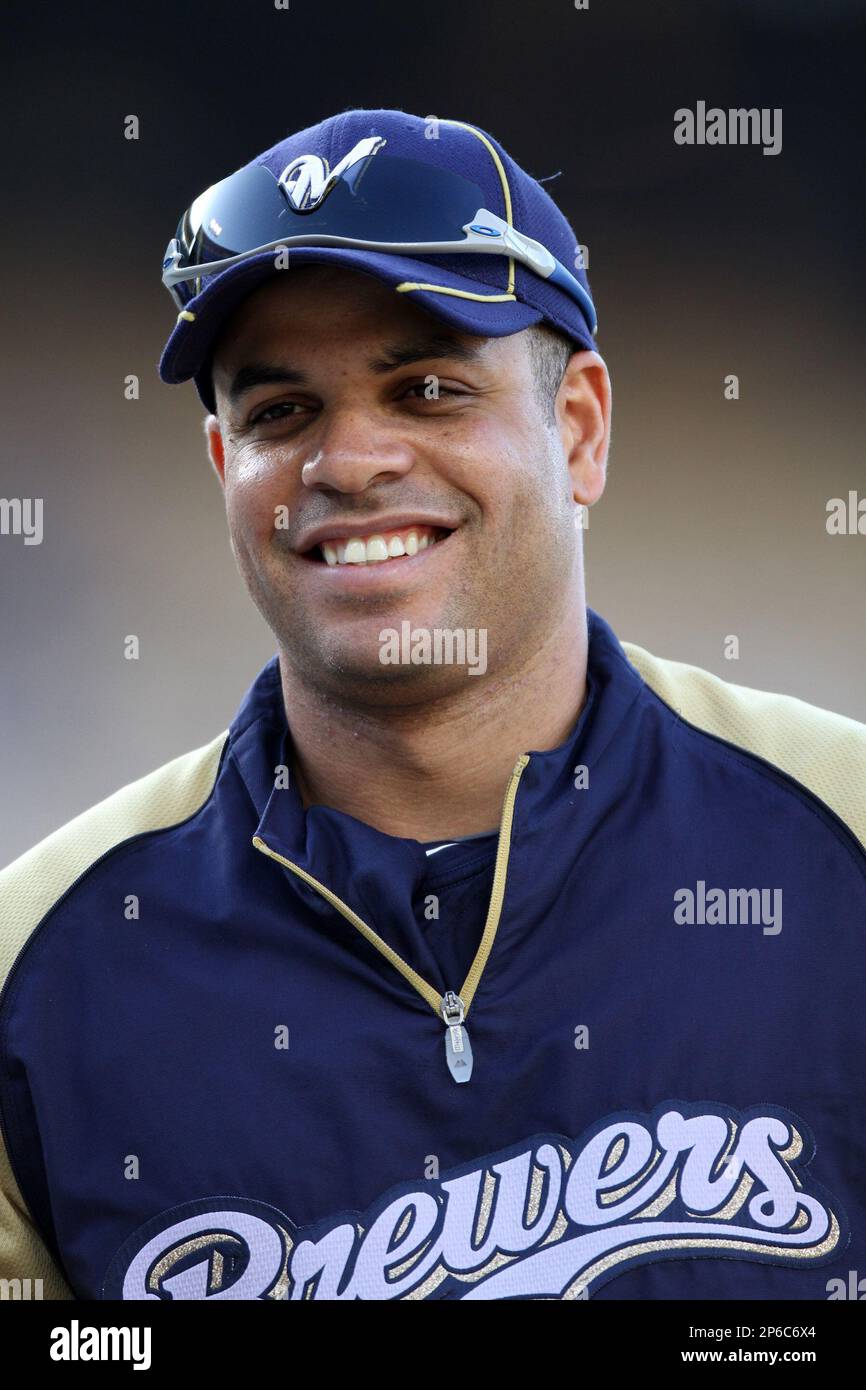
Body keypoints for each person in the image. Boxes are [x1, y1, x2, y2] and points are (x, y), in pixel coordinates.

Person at [1, 108, 864, 1302]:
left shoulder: (842, 837)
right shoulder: (32, 968)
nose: (347, 463)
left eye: (424, 388)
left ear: (579, 429)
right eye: (279, 412)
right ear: (223, 469)